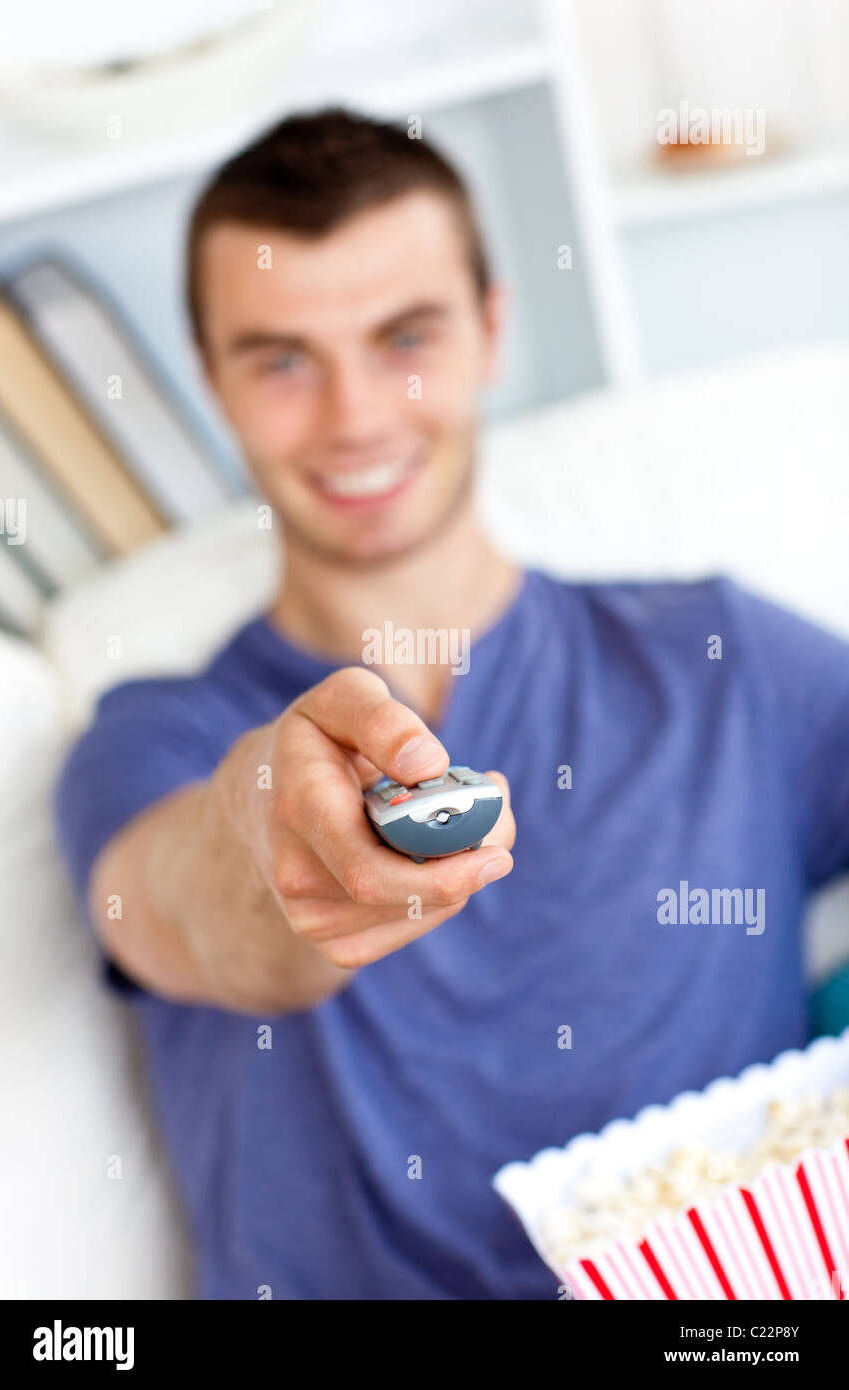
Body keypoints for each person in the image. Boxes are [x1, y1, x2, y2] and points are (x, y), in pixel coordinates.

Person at [55, 108, 849, 1300]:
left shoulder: (724, 658)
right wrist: (278, 846)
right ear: (212, 379)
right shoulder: (150, 735)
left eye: (404, 337)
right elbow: (183, 905)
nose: (355, 417)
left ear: (489, 330)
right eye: (281, 359)